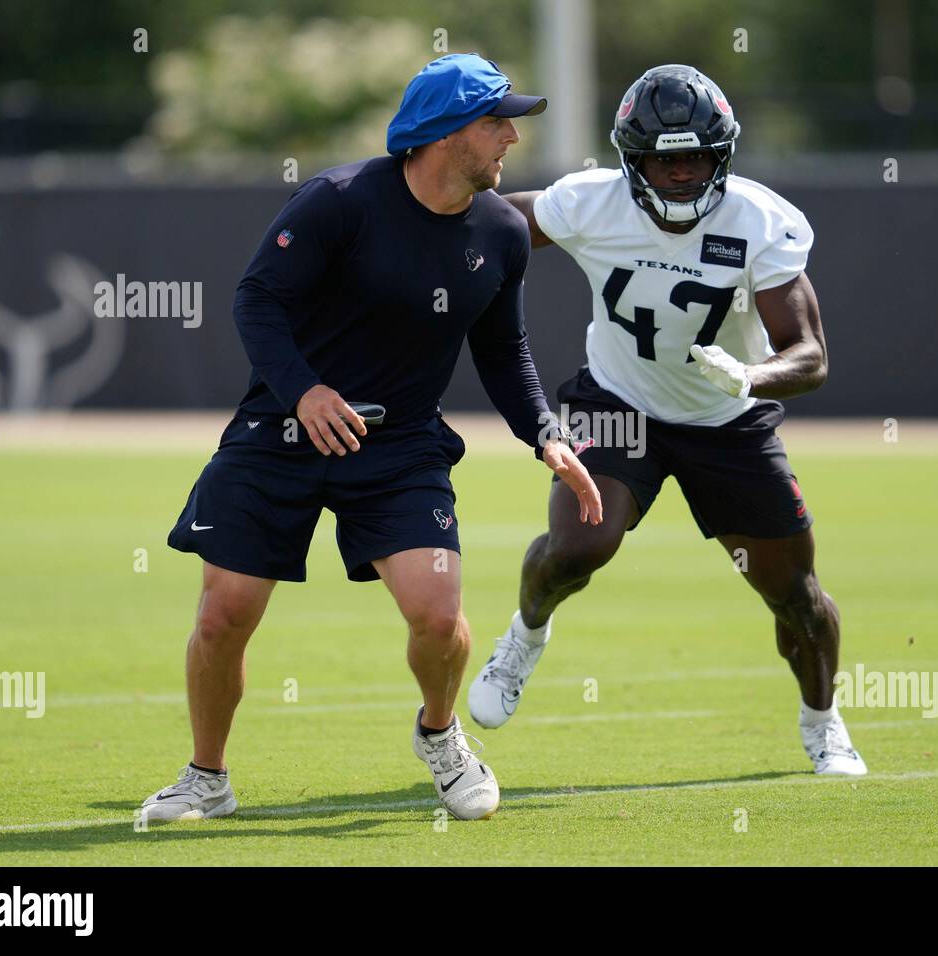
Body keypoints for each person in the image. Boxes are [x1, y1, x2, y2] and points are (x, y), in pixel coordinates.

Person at [140, 53, 603, 824]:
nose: (511, 140)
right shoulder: (338, 200)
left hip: (401, 448)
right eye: (497, 122)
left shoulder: (500, 230)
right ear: (449, 133)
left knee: (439, 616)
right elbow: (257, 299)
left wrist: (545, 437)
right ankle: (206, 778)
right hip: (280, 433)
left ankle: (440, 734)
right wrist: (306, 391)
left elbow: (502, 348)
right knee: (223, 615)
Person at [467, 64, 865, 775]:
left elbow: (810, 357)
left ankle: (822, 719)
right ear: (632, 158)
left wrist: (750, 374)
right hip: (620, 402)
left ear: (723, 155)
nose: (681, 174)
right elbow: (482, 226)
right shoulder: (590, 203)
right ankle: (524, 638)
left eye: (696, 157)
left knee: (797, 598)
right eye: (663, 158)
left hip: (727, 418)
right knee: (579, 546)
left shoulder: (759, 220)